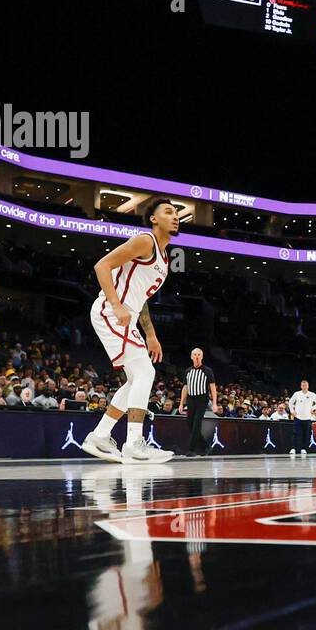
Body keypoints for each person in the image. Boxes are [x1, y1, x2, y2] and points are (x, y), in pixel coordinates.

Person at [81, 198, 179, 465]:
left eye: (177, 213)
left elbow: (141, 298)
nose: (175, 216)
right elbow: (102, 266)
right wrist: (115, 303)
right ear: (154, 219)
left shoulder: (163, 257)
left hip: (128, 316)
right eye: (168, 212)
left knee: (135, 379)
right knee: (145, 372)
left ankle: (100, 436)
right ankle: (134, 442)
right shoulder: (145, 241)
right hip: (111, 310)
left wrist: (150, 334)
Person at [179, 348, 218, 456]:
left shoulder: (207, 371)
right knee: (190, 425)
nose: (196, 356)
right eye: (195, 354)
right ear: (191, 357)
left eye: (199, 354)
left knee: (196, 424)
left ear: (202, 357)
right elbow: (185, 388)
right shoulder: (188, 371)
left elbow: (213, 388)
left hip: (202, 399)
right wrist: (181, 403)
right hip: (191, 400)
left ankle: (191, 450)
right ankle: (206, 447)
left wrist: (215, 403)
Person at [288, 379, 316, 456]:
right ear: (301, 386)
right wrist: (292, 411)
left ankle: (303, 449)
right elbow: (290, 402)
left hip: (307, 418)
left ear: (308, 386)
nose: (304, 386)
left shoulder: (312, 394)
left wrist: (312, 408)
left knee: (306, 434)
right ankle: (293, 448)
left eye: (305, 385)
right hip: (298, 417)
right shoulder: (297, 394)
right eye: (303, 385)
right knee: (295, 433)